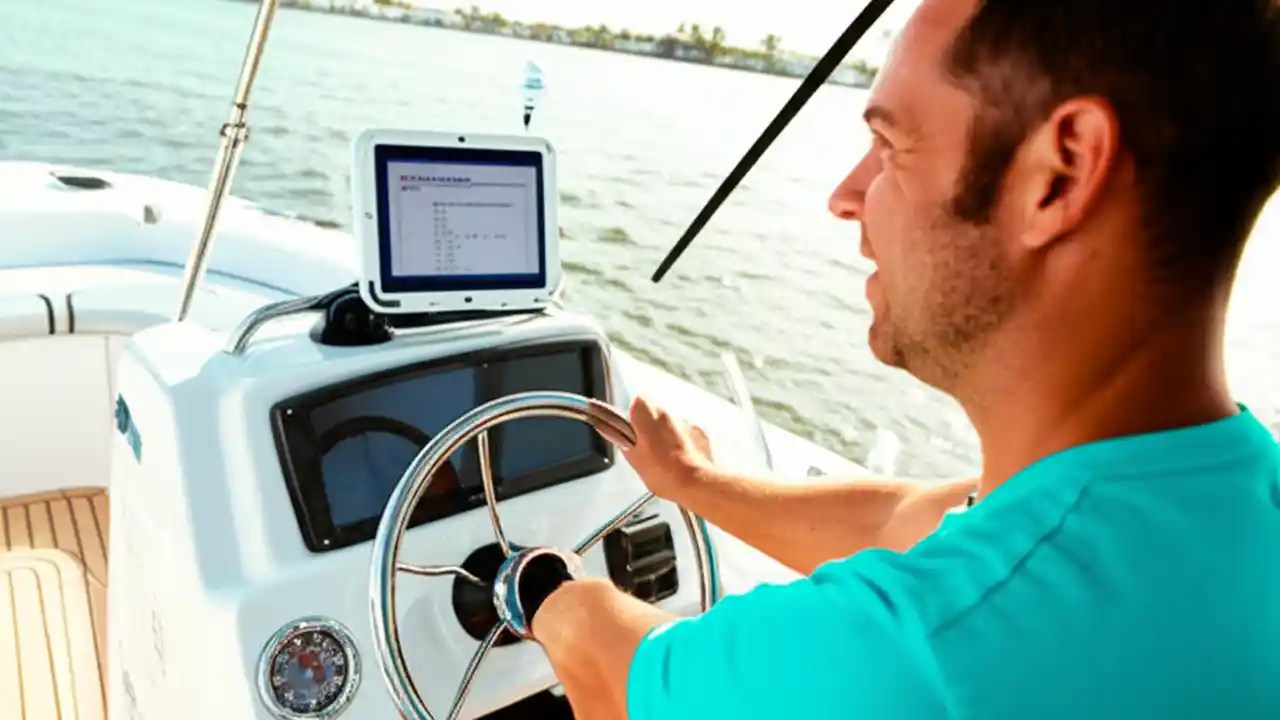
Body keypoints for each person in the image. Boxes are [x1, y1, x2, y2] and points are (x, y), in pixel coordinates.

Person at [523, 0, 1280, 717]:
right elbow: (910, 519)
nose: (846, 195)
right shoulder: (1217, 494)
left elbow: (607, 670)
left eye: (890, 146)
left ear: (1060, 175)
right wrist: (692, 483)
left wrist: (545, 590)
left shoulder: (905, 660)